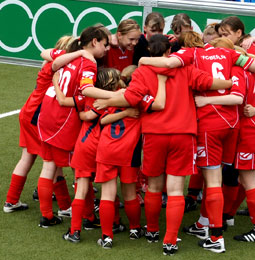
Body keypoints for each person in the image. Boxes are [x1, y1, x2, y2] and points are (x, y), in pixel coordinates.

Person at [94, 34, 236, 256]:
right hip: (183, 135)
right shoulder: (186, 69)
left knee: (154, 187)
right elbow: (210, 82)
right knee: (176, 190)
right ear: (170, 51)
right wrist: (229, 82)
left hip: (154, 135)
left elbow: (131, 98)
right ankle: (170, 241)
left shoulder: (142, 72)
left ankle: (152, 231)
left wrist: (107, 101)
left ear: (149, 52)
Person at [3, 37, 93, 214]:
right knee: (51, 163)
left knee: (31, 158)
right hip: (39, 115)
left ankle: (11, 200)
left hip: (30, 111)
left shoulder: (51, 64)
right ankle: (64, 206)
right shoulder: (60, 66)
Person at [35, 25, 110, 228]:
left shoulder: (69, 54)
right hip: (63, 120)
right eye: (104, 44)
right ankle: (87, 217)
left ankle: (47, 215)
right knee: (81, 170)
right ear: (94, 42)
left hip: (47, 114)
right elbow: (86, 89)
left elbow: (49, 56)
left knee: (49, 165)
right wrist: (116, 97)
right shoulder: (89, 64)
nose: (106, 49)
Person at [218, 16, 255, 243]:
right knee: (246, 178)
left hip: (249, 132)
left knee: (249, 181)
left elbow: (237, 98)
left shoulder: (240, 71)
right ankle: (231, 217)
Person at [81, 68, 142, 248]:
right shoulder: (137, 101)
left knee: (108, 194)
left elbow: (102, 121)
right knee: (130, 193)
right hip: (129, 152)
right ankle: (135, 229)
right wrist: (127, 113)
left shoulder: (107, 100)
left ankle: (107, 237)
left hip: (107, 150)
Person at [101, 19, 142, 83]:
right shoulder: (107, 47)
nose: (134, 43)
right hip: (108, 88)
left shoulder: (131, 47)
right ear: (119, 35)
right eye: (131, 39)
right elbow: (84, 41)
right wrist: (109, 38)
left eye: (137, 39)